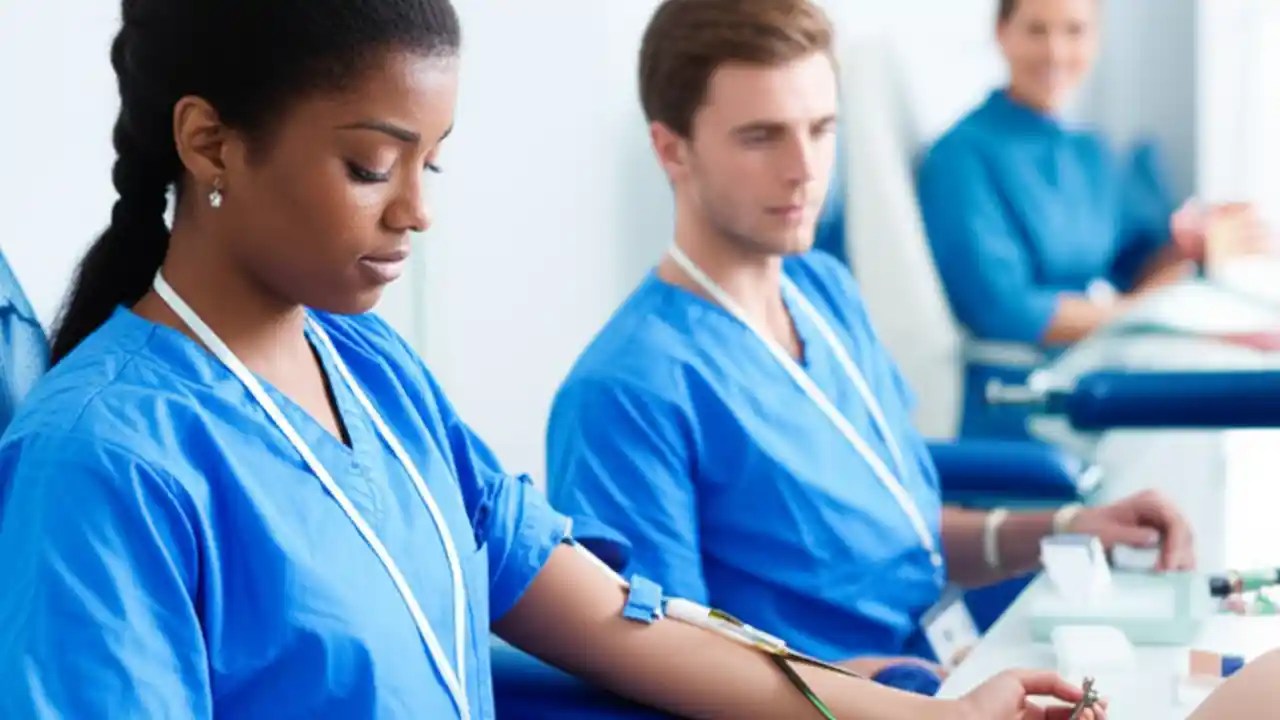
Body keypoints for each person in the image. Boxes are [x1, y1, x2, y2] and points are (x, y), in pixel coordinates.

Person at [0, 1, 1112, 718]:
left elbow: (604, 609)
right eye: (369, 165)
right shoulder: (101, 460)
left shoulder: (375, 375)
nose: (416, 213)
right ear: (210, 143)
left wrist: (928, 717)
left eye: (433, 164)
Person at [546, 0, 1194, 685]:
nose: (804, 169)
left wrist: (1068, 526)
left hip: (938, 667)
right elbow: (671, 677)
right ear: (671, 149)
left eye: (822, 129)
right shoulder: (627, 393)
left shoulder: (824, 293)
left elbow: (902, 535)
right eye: (762, 136)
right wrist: (900, 692)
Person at [917, 0, 1266, 439]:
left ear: (1096, 41)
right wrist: (1137, 314)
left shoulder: (1089, 152)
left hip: (1093, 368)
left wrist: (1196, 249)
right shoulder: (961, 157)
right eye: (1037, 31)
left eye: (1074, 31)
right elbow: (1003, 309)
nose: (1056, 52)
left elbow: (1133, 270)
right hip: (1025, 397)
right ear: (1002, 33)